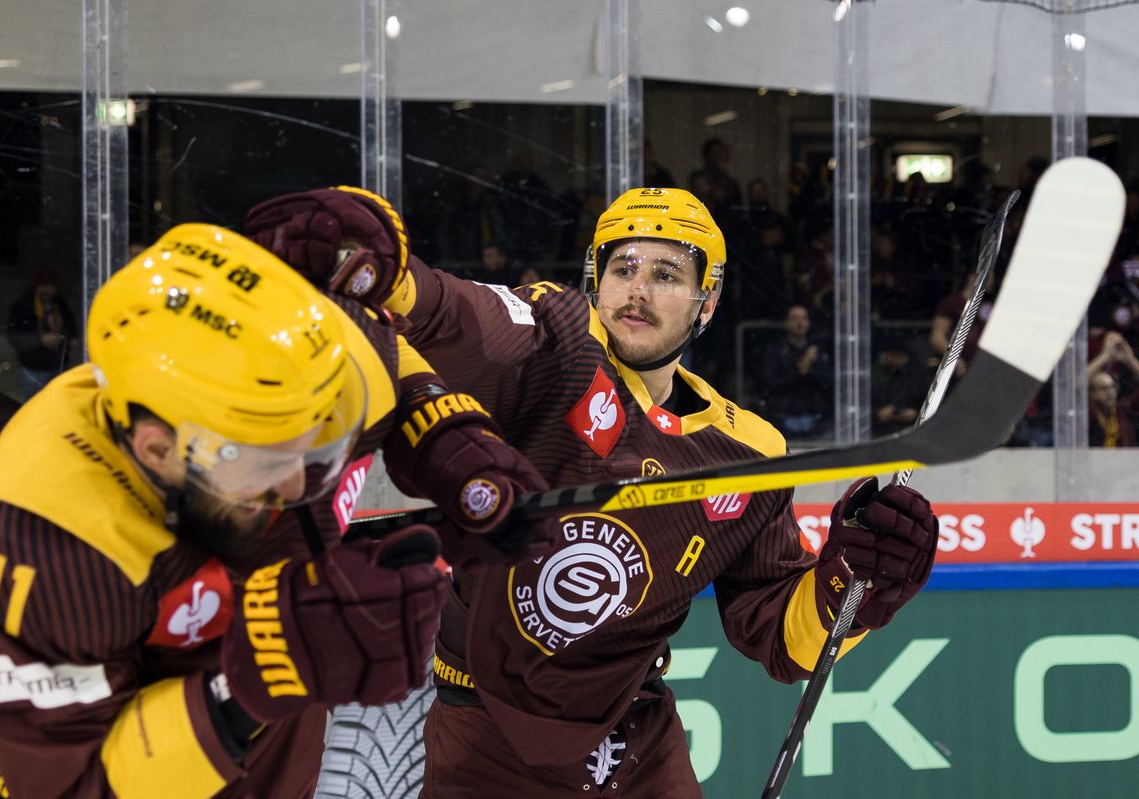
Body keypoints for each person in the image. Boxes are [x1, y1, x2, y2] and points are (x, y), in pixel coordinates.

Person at [245, 186, 940, 798]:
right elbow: (469, 317)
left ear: (707, 302)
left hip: (638, 737)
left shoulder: (750, 452)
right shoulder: (560, 344)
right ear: (594, 282)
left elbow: (778, 636)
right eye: (622, 268)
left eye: (666, 274)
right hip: (486, 736)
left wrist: (852, 583)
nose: (637, 290)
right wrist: (394, 281)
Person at [0, 224, 551, 798]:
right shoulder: (41, 541)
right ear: (157, 449)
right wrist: (259, 675)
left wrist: (451, 447)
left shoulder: (295, 374)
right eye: (267, 456)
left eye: (315, 444)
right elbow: (72, 785)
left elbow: (384, 360)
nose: (298, 484)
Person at [755, 304, 833, 440]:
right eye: (795, 318)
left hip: (816, 420)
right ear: (786, 323)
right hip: (782, 419)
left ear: (809, 323)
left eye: (804, 318)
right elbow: (769, 386)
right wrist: (798, 370)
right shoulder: (774, 351)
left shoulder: (817, 351)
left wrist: (814, 366)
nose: (800, 323)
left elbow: (830, 383)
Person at [6, 266, 79, 398]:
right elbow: (14, 337)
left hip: (58, 367)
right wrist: (39, 340)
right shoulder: (22, 307)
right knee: (32, 405)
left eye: (51, 286)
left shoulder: (61, 304)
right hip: (33, 369)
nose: (48, 290)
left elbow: (70, 325)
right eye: (44, 286)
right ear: (36, 286)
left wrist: (72, 339)